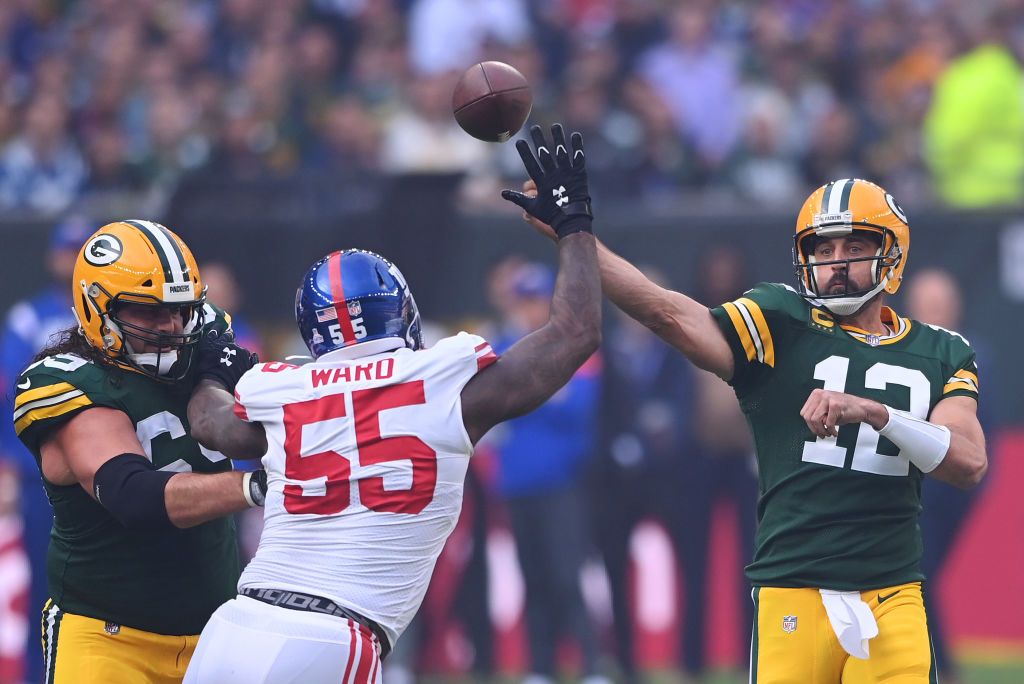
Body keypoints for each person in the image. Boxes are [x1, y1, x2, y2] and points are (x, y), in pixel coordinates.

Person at [518, 176, 987, 683]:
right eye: (822, 247)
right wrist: (576, 237)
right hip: (794, 591)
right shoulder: (781, 318)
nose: (836, 261)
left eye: (854, 245)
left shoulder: (941, 351)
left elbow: (968, 462)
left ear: (891, 253)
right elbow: (668, 313)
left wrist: (878, 414)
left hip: (892, 593)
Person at [182, 123, 600, 684]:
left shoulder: (284, 390)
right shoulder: (442, 385)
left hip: (234, 626)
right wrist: (573, 228)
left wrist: (205, 354)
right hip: (334, 634)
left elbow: (209, 423)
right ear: (400, 313)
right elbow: (574, 334)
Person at [11, 219, 264, 683]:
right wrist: (255, 485)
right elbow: (136, 495)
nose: (170, 326)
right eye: (148, 312)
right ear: (97, 308)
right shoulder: (64, 381)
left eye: (180, 310)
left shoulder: (206, 338)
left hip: (217, 634)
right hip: (109, 641)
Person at [491, 262, 605, 684]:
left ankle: (591, 667)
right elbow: (500, 406)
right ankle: (541, 668)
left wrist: (529, 399)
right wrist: (543, 398)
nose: (533, 309)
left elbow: (579, 409)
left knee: (566, 575)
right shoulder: (502, 345)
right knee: (534, 578)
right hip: (519, 483)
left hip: (562, 483)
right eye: (526, 300)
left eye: (539, 300)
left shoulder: (574, 346)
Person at [0, 215, 93, 684]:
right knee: (42, 583)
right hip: (38, 475)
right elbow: (4, 396)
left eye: (82, 250)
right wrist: (6, 467)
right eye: (67, 250)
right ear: (52, 257)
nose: (72, 260)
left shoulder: (110, 317)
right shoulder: (28, 318)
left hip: (98, 471)